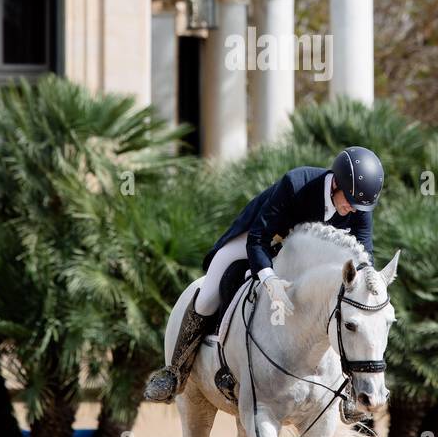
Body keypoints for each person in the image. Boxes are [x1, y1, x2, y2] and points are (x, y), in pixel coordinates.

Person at [143, 145, 385, 402]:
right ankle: (176, 371)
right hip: (261, 239)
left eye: (360, 206)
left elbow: (363, 255)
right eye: (349, 200)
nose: (354, 209)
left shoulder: (359, 207)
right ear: (335, 183)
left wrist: (368, 277)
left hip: (301, 260)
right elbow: (258, 237)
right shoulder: (296, 184)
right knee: (209, 293)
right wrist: (268, 279)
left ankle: (346, 391)